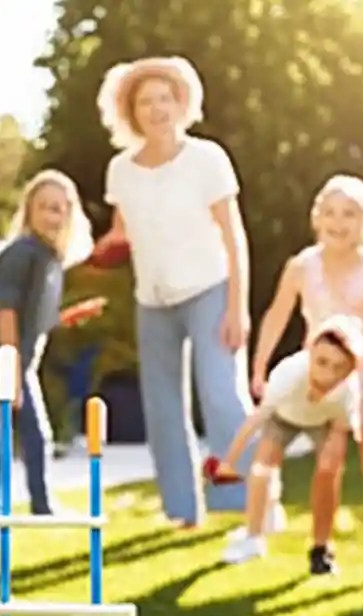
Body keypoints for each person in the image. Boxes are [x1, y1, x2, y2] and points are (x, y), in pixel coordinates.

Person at [250, 174, 363, 589]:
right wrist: (260, 368)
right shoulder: (301, 267)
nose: (339, 221)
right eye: (330, 212)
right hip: (323, 379)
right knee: (328, 462)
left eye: (349, 214)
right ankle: (320, 548)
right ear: (317, 219)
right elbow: (277, 316)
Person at [96, 55, 255, 529]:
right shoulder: (120, 171)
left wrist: (237, 306)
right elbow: (121, 233)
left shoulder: (207, 158)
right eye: (146, 101)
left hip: (210, 288)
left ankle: (243, 500)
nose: (157, 108)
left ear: (181, 103)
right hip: (154, 300)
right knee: (162, 408)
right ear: (131, 111)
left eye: (165, 98)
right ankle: (182, 511)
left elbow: (233, 235)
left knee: (221, 395)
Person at [0, 169, 96, 522]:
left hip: (16, 361)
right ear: (30, 211)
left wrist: (68, 316)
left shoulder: (50, 258)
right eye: (44, 207)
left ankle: (42, 506)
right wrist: (11, 374)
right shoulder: (20, 253)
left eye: (59, 209)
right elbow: (6, 315)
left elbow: (35, 317)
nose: (52, 215)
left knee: (37, 435)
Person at [217, 315, 363, 572]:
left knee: (330, 473)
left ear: (351, 370)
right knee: (262, 469)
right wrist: (228, 462)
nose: (328, 374)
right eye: (322, 362)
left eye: (339, 368)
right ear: (310, 354)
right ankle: (254, 537)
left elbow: (339, 435)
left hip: (323, 422)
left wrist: (329, 465)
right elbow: (255, 420)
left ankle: (321, 549)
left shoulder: (347, 392)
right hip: (283, 417)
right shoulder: (288, 374)